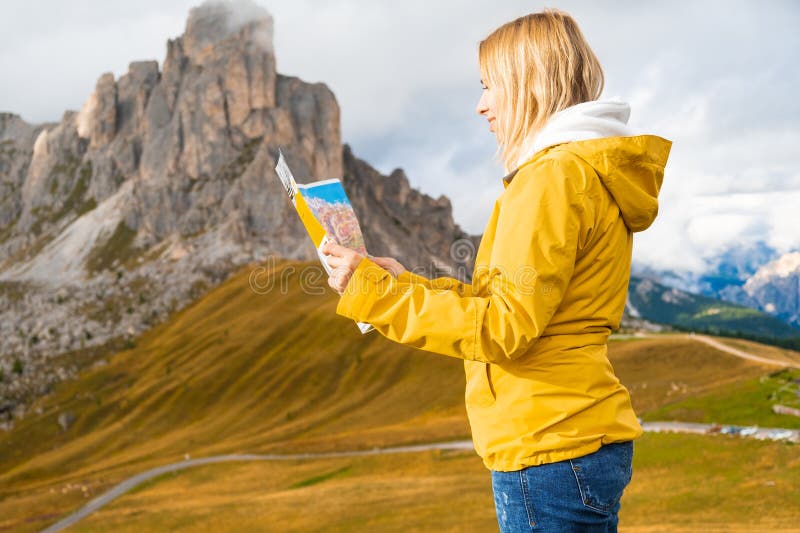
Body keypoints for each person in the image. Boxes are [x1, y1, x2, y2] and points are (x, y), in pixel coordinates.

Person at [321, 8, 671, 533]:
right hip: (569, 437)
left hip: (547, 448)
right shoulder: (581, 171)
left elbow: (503, 327)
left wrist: (376, 294)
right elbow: (511, 300)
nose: (481, 105)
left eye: (490, 86)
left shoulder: (551, 178)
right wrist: (399, 282)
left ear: (529, 82)